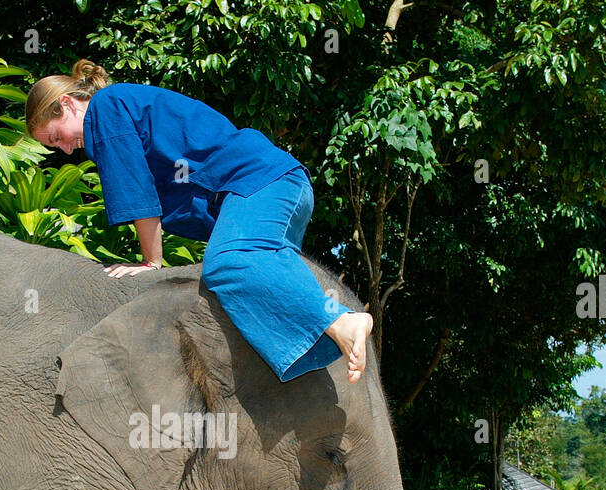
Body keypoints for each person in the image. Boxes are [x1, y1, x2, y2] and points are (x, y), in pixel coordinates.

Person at [25, 59, 373, 384]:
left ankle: (342, 320)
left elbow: (137, 192)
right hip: (278, 187)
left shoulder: (106, 109)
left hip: (260, 184)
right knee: (263, 270)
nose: (67, 150)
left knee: (228, 263)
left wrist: (151, 262)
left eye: (57, 137)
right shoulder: (121, 106)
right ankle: (330, 326)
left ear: (69, 104)